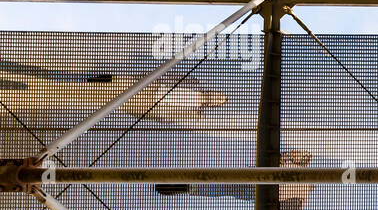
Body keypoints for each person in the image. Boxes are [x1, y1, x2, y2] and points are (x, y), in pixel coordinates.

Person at [0, 58, 228, 126]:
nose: (216, 99)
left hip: (139, 103)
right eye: (219, 95)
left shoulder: (196, 113)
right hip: (140, 88)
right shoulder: (194, 82)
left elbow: (164, 116)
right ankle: (41, 85)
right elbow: (164, 76)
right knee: (92, 89)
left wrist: (139, 113)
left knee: (89, 101)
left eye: (219, 101)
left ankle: (42, 93)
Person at [156, 149, 315, 210]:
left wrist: (280, 162)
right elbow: (281, 206)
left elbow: (285, 156)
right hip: (262, 192)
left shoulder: (302, 166)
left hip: (260, 177)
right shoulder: (303, 200)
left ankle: (185, 182)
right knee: (226, 189)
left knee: (226, 181)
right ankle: (186, 188)